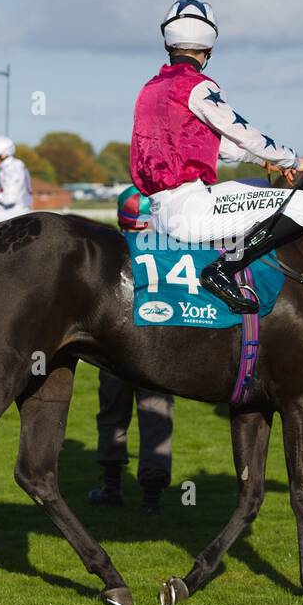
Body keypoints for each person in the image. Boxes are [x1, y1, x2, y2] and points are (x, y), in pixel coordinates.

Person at [131, 0, 303, 314]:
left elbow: (209, 144)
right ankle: (223, 270)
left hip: (160, 212)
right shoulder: (198, 86)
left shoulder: (150, 88)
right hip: (189, 210)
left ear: (168, 42)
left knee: (259, 187)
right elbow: (242, 132)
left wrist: (265, 161)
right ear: (208, 48)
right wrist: (293, 159)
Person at [89, 188, 175, 514]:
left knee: (113, 413)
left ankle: (112, 487)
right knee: (156, 414)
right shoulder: (171, 249)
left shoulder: (109, 254)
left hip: (114, 344)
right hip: (159, 345)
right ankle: (152, 500)